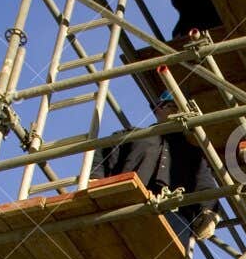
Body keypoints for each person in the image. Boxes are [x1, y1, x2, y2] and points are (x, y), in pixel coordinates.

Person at [91, 88, 220, 250]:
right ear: (157, 108)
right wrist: (95, 178)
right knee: (114, 247)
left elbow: (206, 186)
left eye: (180, 108)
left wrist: (209, 214)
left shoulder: (192, 154)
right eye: (171, 106)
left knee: (169, 256)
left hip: (173, 213)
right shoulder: (133, 135)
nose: (176, 111)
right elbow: (103, 152)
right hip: (129, 200)